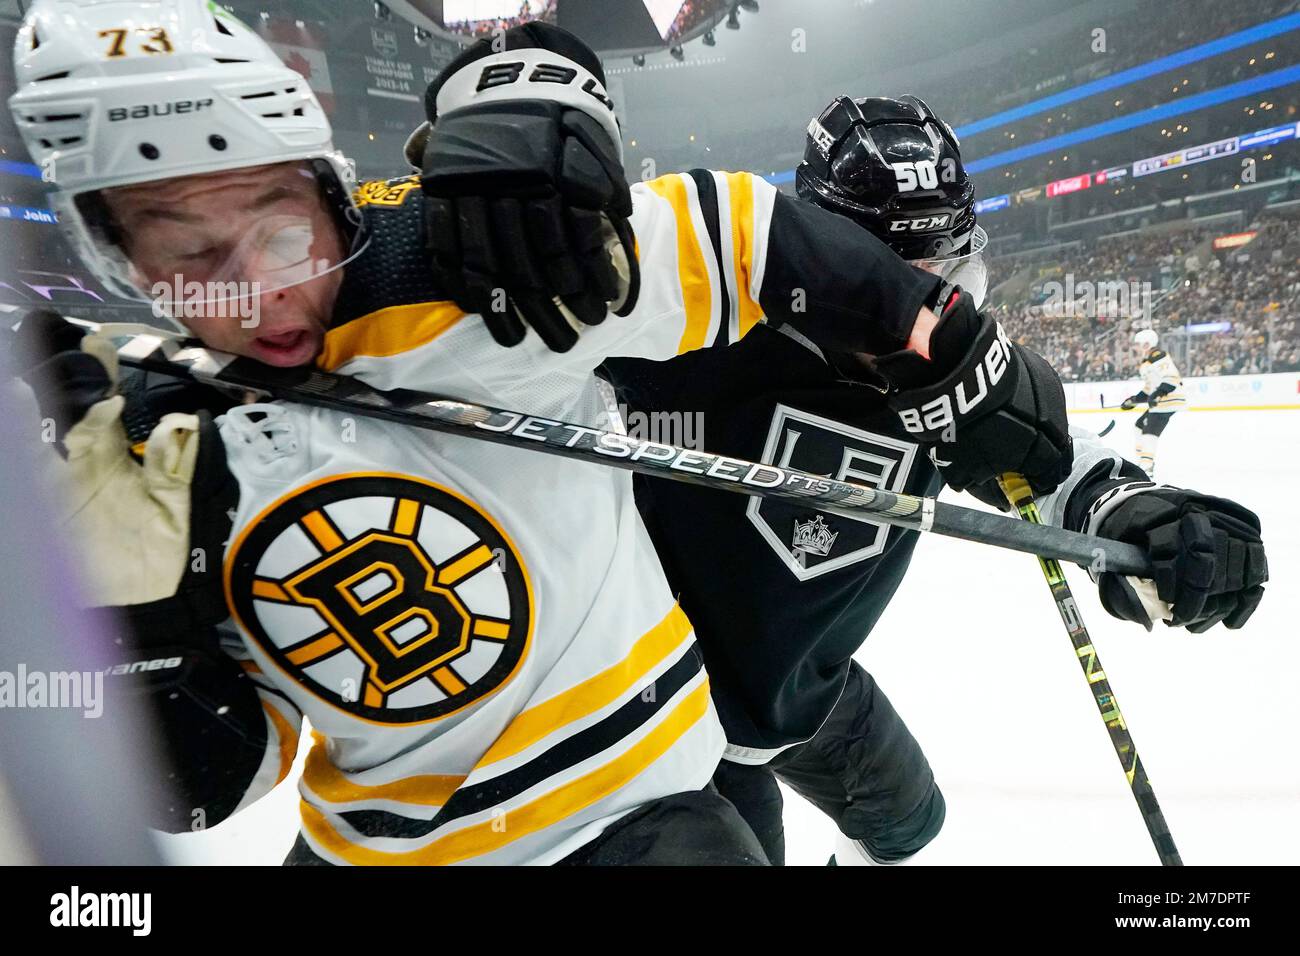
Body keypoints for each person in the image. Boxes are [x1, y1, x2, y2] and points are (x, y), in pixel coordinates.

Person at [8, 6, 1057, 865]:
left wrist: (955, 348)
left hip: (630, 810)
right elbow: (218, 778)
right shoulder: (152, 455)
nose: (261, 299)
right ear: (122, 270)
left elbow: (746, 236)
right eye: (188, 262)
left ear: (327, 182)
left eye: (284, 231)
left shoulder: (463, 267)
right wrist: (132, 627)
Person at [427, 89, 1270, 866]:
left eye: (939, 262)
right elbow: (531, 329)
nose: (916, 297)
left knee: (910, 824)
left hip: (808, 690)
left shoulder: (957, 364)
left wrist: (1142, 508)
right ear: (820, 251)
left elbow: (1055, 457)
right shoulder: (691, 330)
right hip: (666, 702)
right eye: (885, 266)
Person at [1122, 328, 1186, 477]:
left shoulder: (1159, 356)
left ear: (1146, 344)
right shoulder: (1148, 361)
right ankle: (1142, 462)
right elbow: (1149, 389)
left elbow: (1171, 379)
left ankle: (1146, 466)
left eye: (1138, 344)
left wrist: (1157, 394)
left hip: (1168, 401)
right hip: (1161, 401)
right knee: (1139, 426)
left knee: (1149, 432)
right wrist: (1133, 401)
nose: (1135, 347)